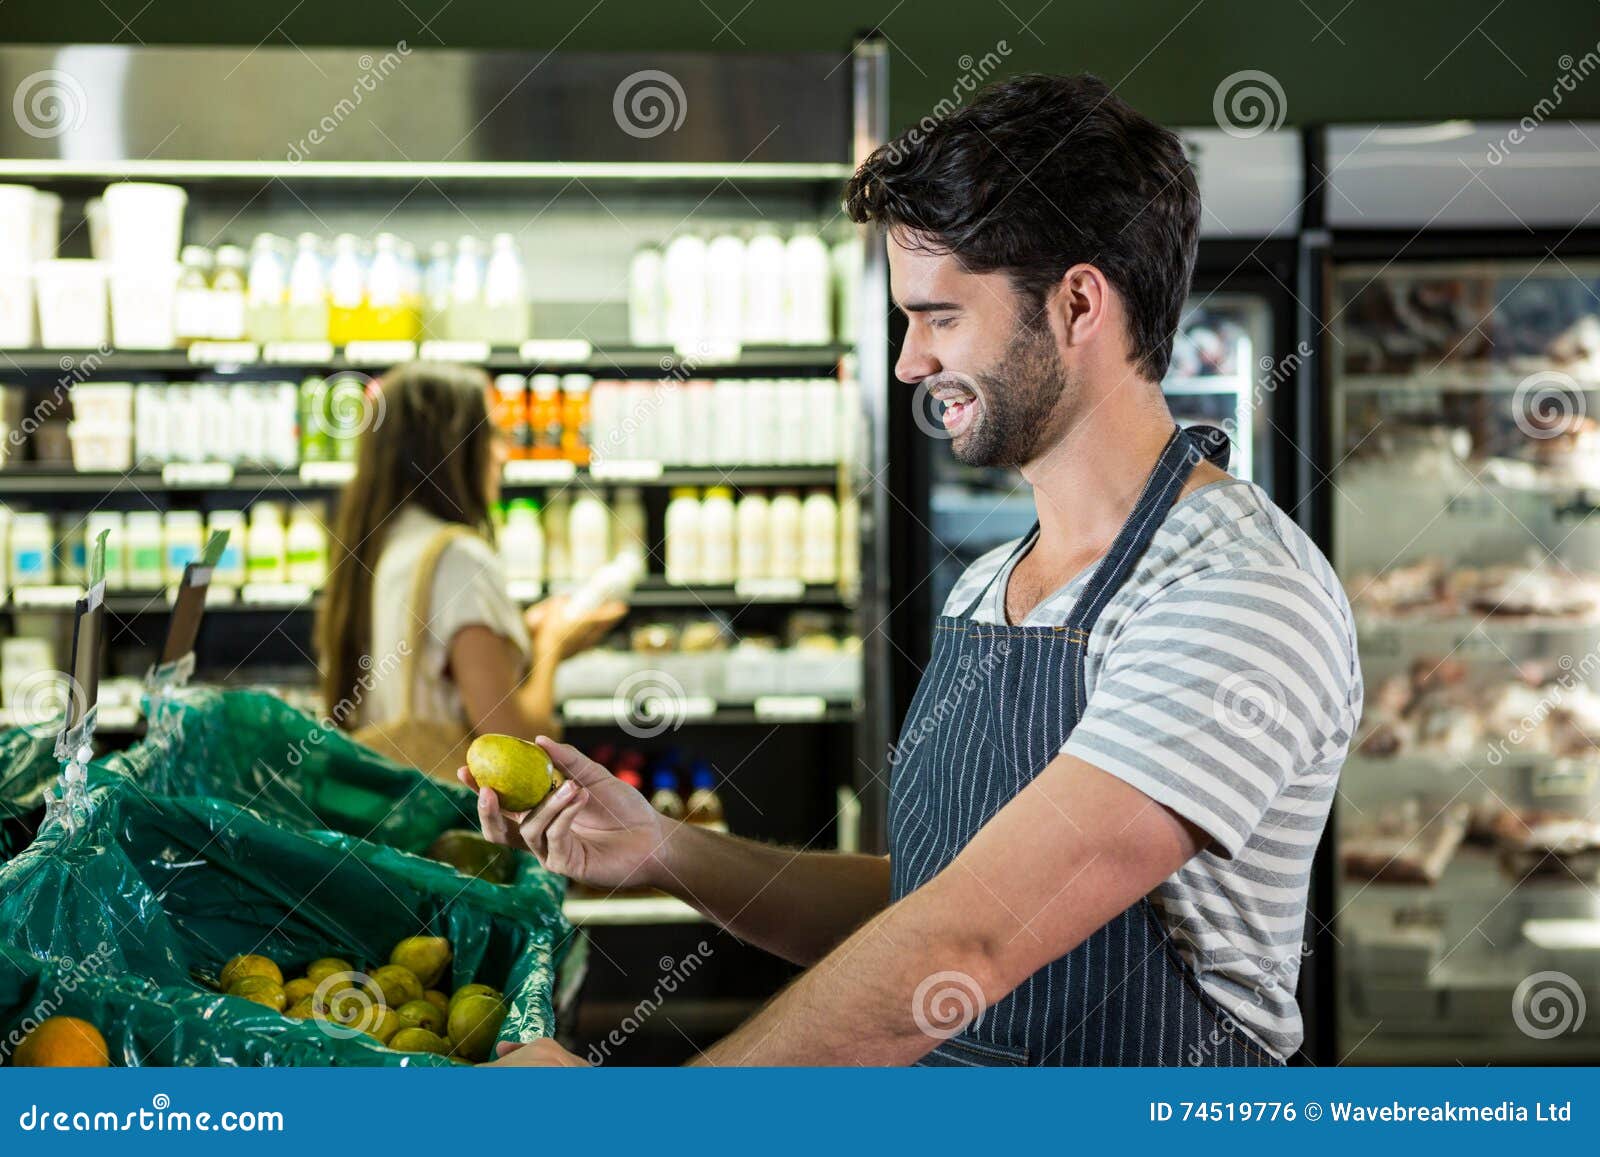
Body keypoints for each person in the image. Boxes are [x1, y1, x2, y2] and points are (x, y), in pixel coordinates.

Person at [464, 74, 1361, 1067]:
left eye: (937, 316)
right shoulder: (992, 583)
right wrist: (667, 849)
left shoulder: (1233, 594)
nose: (907, 362)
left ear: (1075, 304)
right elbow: (925, 899)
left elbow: (965, 941)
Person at [317, 361, 622, 777]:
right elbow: (512, 740)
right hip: (455, 817)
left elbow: (434, 667)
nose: (503, 452)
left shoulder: (381, 545)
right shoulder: (457, 557)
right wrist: (553, 647)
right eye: (491, 433)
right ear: (451, 446)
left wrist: (521, 637)